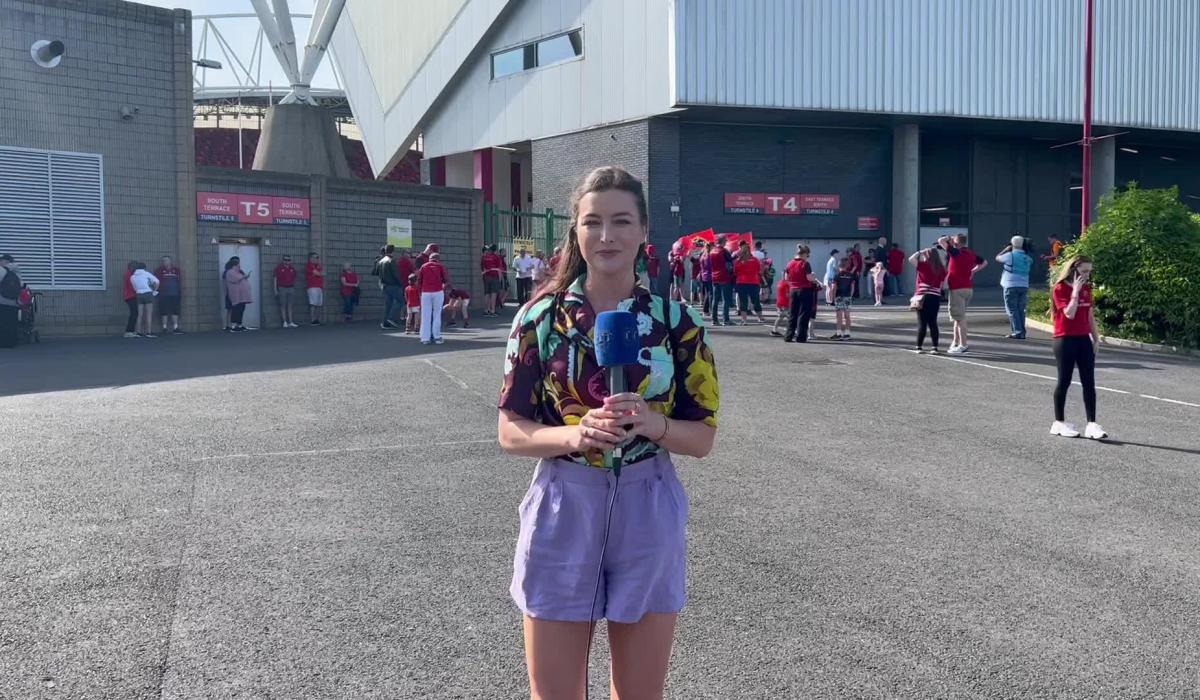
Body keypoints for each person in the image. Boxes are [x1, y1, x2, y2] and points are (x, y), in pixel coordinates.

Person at [497, 166, 718, 700]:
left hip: (647, 502)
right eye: (592, 222)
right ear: (575, 231)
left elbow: (702, 438)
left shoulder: (676, 322)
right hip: (564, 503)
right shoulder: (539, 319)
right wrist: (575, 436)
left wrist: (654, 423)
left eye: (621, 221)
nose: (606, 235)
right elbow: (510, 430)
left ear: (644, 231)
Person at [1049, 255, 1107, 440]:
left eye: (1089, 271)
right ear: (1073, 270)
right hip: (1064, 340)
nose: (1087, 275)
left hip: (1083, 339)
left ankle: (1092, 424)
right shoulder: (1060, 289)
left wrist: (1096, 338)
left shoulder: (1087, 289)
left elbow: (1089, 315)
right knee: (1064, 381)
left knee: (1089, 382)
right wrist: (1075, 291)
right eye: (1083, 271)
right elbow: (1070, 314)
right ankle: (1058, 422)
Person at [944, 234, 988, 354]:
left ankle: (963, 345)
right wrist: (973, 271)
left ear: (957, 242)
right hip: (967, 288)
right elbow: (984, 262)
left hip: (957, 288)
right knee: (957, 317)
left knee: (960, 318)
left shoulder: (956, 252)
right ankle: (955, 342)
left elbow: (941, 241)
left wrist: (949, 240)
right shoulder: (970, 253)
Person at [908, 245, 947, 353]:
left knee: (922, 323)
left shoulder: (923, 266)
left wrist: (920, 251)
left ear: (927, 256)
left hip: (922, 296)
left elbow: (911, 259)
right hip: (935, 296)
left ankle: (919, 347)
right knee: (933, 322)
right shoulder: (941, 269)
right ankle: (934, 347)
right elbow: (941, 285)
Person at [996, 236, 1033, 339]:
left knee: (1012, 309)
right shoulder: (1028, 258)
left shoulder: (1009, 255)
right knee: (1021, 309)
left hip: (1010, 285)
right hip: (1024, 285)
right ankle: (1022, 332)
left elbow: (997, 258)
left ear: (1012, 244)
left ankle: (1017, 332)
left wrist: (1006, 249)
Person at [784, 244, 819, 343]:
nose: (808, 257)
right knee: (803, 314)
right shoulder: (805, 264)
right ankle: (801, 337)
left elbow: (786, 278)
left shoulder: (789, 263)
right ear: (805, 254)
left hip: (793, 290)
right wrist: (813, 276)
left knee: (792, 314)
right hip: (805, 290)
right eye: (808, 255)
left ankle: (788, 336)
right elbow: (809, 278)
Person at [417, 251, 450, 345]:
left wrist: (420, 293)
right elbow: (446, 280)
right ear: (438, 259)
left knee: (425, 315)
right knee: (437, 314)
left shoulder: (423, 266)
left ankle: (425, 338)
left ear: (429, 258)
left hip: (425, 292)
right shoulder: (440, 266)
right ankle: (437, 337)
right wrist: (443, 287)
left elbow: (419, 281)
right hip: (437, 292)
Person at [733, 241, 764, 325]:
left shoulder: (738, 261)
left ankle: (744, 320)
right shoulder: (755, 260)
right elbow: (758, 270)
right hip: (753, 282)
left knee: (743, 302)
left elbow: (735, 272)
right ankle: (760, 318)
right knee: (755, 300)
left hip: (741, 282)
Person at [708, 236, 735, 326]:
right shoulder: (724, 251)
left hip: (714, 277)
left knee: (715, 299)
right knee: (725, 299)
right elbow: (730, 263)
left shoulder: (712, 251)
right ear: (723, 242)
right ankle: (726, 319)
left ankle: (714, 319)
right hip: (724, 277)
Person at [129, 262, 160, 338]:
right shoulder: (146, 274)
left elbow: (134, 287)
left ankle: (138, 332)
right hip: (148, 293)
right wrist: (155, 290)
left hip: (139, 294)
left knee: (140, 314)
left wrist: (138, 290)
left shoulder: (132, 277)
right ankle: (148, 332)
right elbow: (157, 281)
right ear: (144, 268)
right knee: (148, 314)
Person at [154, 255, 183, 334]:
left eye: (166, 260)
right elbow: (156, 281)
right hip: (163, 294)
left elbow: (179, 280)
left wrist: (179, 290)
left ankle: (175, 327)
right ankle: (164, 327)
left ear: (170, 261)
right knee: (164, 311)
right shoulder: (159, 270)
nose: (165, 262)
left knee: (175, 310)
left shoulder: (176, 270)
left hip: (175, 293)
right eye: (163, 261)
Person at [223, 257, 252, 332]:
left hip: (242, 296)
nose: (239, 266)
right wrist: (244, 277)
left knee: (241, 309)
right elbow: (235, 279)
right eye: (238, 265)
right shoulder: (230, 272)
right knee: (235, 309)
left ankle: (239, 324)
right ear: (234, 265)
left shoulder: (239, 272)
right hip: (236, 295)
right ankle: (233, 325)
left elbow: (241, 278)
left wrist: (245, 277)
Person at [377, 244, 403, 329]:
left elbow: (375, 272)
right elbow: (395, 274)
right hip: (393, 285)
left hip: (384, 285)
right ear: (393, 251)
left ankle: (385, 323)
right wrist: (400, 283)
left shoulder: (381, 261)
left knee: (388, 304)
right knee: (400, 301)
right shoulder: (391, 261)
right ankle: (391, 318)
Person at [832, 258, 856, 340]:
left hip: (839, 296)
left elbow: (834, 287)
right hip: (847, 296)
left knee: (839, 316)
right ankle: (847, 333)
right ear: (847, 265)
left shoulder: (837, 275)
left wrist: (832, 298)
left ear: (839, 265)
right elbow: (853, 287)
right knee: (847, 315)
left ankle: (838, 333)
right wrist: (850, 296)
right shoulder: (851, 275)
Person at [0, 254, 21, 348]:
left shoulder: (2, 270)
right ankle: (12, 342)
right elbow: (22, 285)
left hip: (2, 300)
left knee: (3, 323)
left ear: (5, 261)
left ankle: (3, 343)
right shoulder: (17, 271)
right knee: (12, 323)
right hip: (14, 302)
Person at [274, 255, 298, 328]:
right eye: (285, 260)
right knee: (283, 305)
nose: (287, 261)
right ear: (283, 260)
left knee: (290, 305)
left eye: (288, 260)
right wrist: (275, 289)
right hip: (282, 288)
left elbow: (294, 278)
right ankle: (284, 322)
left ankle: (291, 322)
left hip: (291, 287)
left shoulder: (292, 269)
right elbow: (275, 279)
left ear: (290, 261)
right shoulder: (279, 268)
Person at [481, 244, 506, 317]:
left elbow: (483, 268)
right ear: (495, 250)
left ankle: (486, 310)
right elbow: (499, 269)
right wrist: (500, 279)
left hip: (486, 277)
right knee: (493, 294)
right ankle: (492, 311)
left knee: (486, 294)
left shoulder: (484, 257)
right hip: (494, 277)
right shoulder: (496, 257)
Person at [305, 252, 324, 325]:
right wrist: (319, 273)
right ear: (311, 258)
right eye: (315, 257)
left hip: (319, 286)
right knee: (313, 304)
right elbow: (318, 273)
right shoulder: (308, 265)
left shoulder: (319, 266)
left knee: (319, 304)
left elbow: (323, 273)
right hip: (312, 287)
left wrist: (319, 273)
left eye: (318, 257)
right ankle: (312, 320)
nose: (317, 259)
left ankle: (317, 319)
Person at [121, 261, 139, 338]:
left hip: (130, 296)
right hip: (130, 296)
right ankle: (128, 331)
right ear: (131, 267)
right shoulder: (129, 275)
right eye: (135, 267)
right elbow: (132, 286)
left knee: (134, 313)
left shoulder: (129, 274)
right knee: (134, 313)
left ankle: (131, 330)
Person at [699, 241, 714, 317]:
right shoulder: (710, 256)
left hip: (704, 276)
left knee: (707, 293)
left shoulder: (703, 256)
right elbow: (712, 267)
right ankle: (710, 310)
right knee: (710, 294)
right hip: (710, 276)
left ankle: (705, 310)